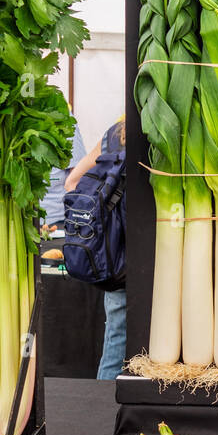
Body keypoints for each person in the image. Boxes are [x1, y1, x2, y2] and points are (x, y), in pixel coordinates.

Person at [65, 118, 127, 380]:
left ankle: (104, 411)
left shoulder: (116, 132)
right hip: (157, 254)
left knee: (116, 336)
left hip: (116, 257)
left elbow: (72, 183)